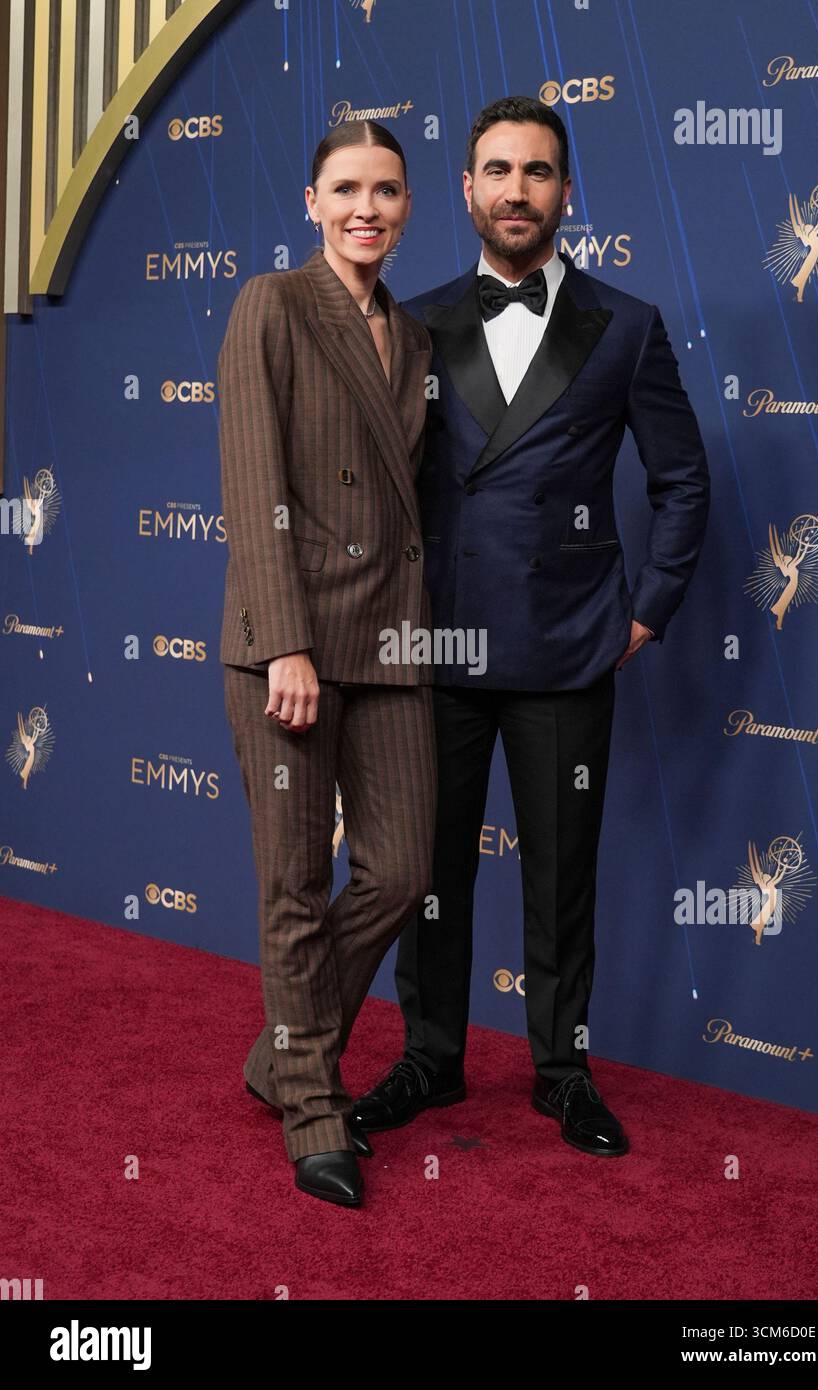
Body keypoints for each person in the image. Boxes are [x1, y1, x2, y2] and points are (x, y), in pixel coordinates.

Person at [352, 95, 711, 1158]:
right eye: (497, 171)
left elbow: (681, 481)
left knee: (561, 874)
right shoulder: (409, 323)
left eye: (538, 172)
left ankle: (562, 1070)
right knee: (426, 874)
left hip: (564, 648)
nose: (517, 190)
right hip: (440, 644)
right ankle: (429, 1056)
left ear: (565, 190)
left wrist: (642, 613)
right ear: (463, 192)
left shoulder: (626, 326)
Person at [218, 121, 436, 1208]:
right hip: (291, 646)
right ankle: (311, 1102)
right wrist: (283, 643)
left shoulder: (415, 334)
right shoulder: (273, 302)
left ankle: (278, 1052)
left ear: (407, 203)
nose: (367, 208)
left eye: (386, 190)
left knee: (398, 870)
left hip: (393, 639)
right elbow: (252, 477)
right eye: (346, 188)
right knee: (294, 884)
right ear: (311, 200)